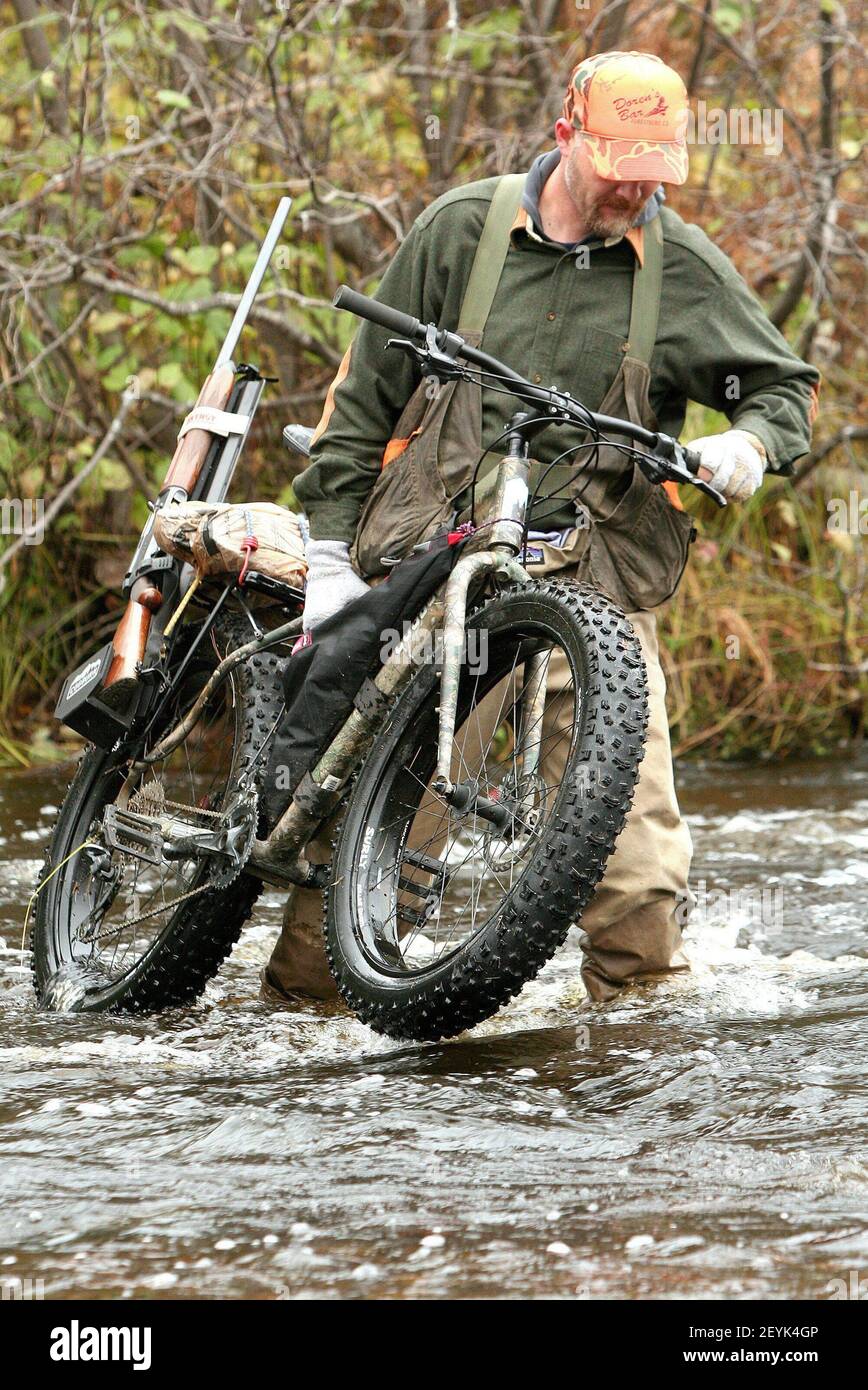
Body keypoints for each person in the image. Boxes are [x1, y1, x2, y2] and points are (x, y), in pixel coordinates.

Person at [261, 50, 819, 1006]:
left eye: (659, 168)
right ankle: (304, 1050)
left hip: (594, 581)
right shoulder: (460, 234)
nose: (639, 187)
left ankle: (632, 1071)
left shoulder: (680, 270)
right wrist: (325, 557)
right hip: (440, 576)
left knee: (637, 873)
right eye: (620, 164)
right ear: (566, 137)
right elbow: (363, 404)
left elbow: (782, 391)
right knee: (353, 863)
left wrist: (751, 445)